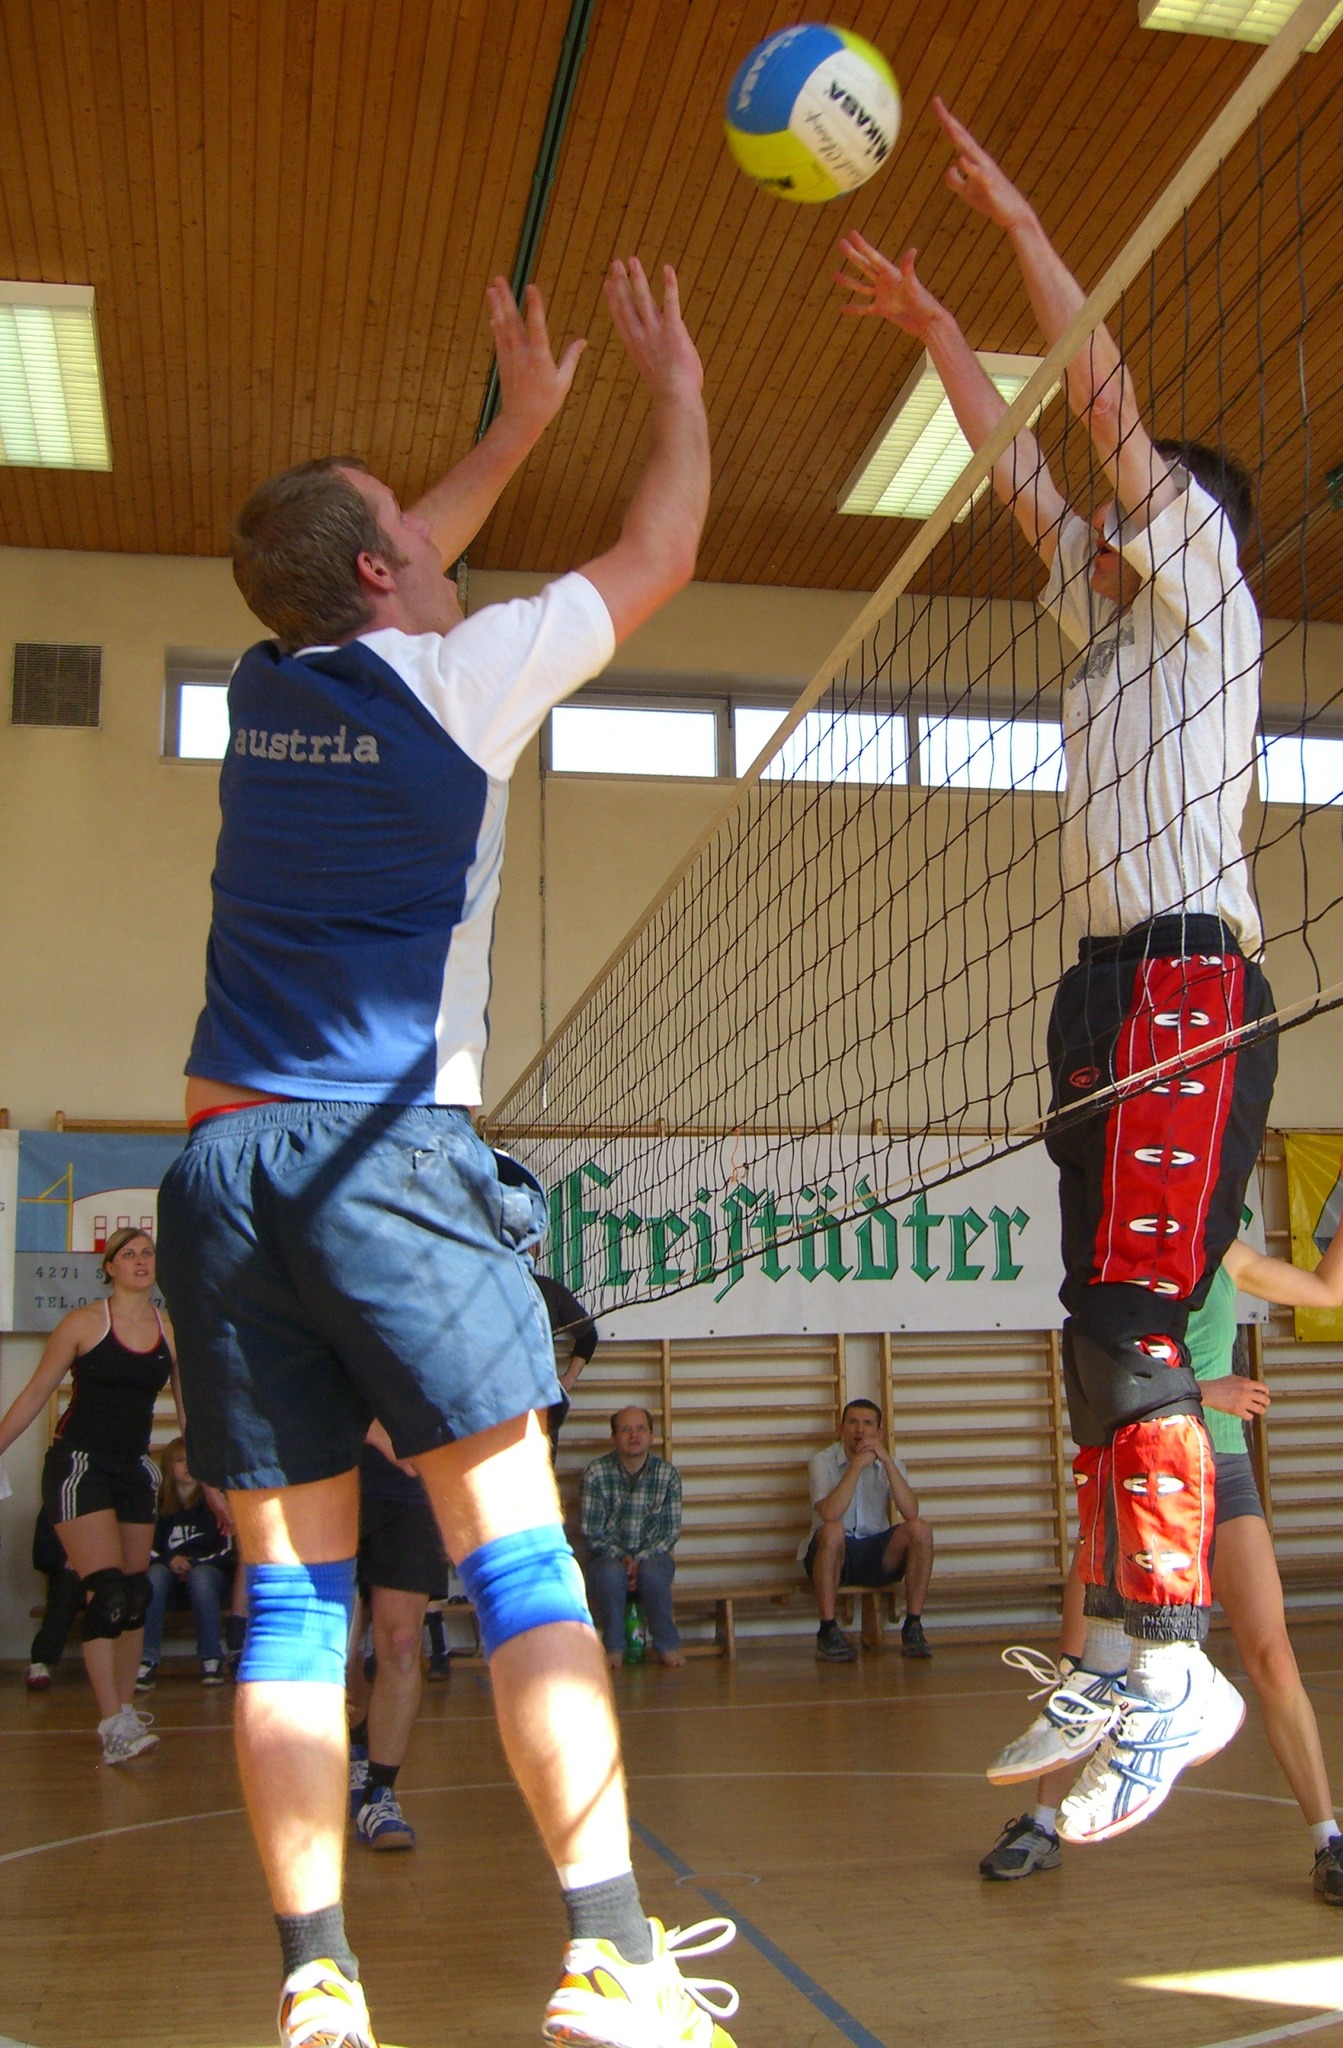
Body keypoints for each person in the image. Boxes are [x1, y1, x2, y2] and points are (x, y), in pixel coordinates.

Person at [155, 260, 740, 2048]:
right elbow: (662, 553)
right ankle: (614, 1953)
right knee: (523, 1566)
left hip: (218, 1172)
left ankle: (320, 1982)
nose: (440, 531)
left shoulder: (273, 686)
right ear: (389, 580)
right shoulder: (456, 685)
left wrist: (510, 433)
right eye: (416, 524)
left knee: (291, 1596)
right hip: (385, 1159)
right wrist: (671, 391)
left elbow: (383, 558)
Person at [838, 100, 1274, 1839]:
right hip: (1101, 995)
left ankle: (1176, 1664)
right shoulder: (1101, 635)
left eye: (1137, 503)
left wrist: (1019, 216)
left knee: (1132, 1318)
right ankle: (1138, 1649)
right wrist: (947, 333)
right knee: (1085, 1332)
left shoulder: (1210, 601)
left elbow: (1094, 402)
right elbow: (1017, 462)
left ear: (1188, 528)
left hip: (1189, 984)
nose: (1100, 517)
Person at [982, 1143, 1343, 1907]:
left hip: (1216, 1469)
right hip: (1135, 1475)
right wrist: (1209, 1386)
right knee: (1084, 1663)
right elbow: (1117, 1376)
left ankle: (1330, 1838)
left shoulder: (1223, 1252)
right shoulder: (1114, 1262)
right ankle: (1040, 1822)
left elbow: (1330, 1290)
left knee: (1271, 1656)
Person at [0, 1227, 181, 1763]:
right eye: (130, 1254)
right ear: (110, 1267)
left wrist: (214, 1479)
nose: (141, 1260)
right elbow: (36, 1393)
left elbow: (190, 1408)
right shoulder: (83, 1323)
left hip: (134, 1470)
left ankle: (124, 1712)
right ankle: (110, 1724)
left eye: (148, 1252)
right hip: (80, 1466)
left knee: (135, 1598)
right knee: (106, 1595)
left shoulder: (169, 1331)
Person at [345, 1422, 452, 1849]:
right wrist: (369, 1429)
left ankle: (379, 1793)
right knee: (340, 1648)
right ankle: (356, 1744)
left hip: (409, 1481)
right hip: (328, 1475)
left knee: (403, 1642)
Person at [802, 1399, 933, 1662]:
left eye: (867, 1423)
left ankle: (913, 1625)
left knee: (920, 1529)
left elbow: (910, 1512)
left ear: (878, 1432)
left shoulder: (890, 1462)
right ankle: (827, 1630)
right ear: (842, 1430)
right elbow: (829, 1513)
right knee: (833, 1530)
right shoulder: (823, 1461)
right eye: (853, 1422)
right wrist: (856, 1466)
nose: (859, 1430)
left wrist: (886, 1461)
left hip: (875, 1551)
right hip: (833, 1553)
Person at [579, 1408, 684, 1669]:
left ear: (651, 1435)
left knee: (653, 1573)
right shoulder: (595, 1473)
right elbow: (591, 1532)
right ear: (614, 1437)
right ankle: (613, 1647)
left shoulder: (668, 1475)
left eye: (640, 1429)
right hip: (607, 1558)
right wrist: (622, 1559)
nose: (633, 1435)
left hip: (653, 1557)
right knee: (609, 1574)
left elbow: (670, 1532)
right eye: (625, 1430)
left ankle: (667, 1645)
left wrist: (639, 1561)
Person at [138, 1434, 237, 1688]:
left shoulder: (214, 1503)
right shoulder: (157, 1503)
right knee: (154, 1577)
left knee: (201, 1577)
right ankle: (146, 1660)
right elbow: (144, 1545)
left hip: (208, 1579)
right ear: (169, 1466)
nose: (187, 1466)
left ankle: (211, 1658)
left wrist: (193, 1562)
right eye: (180, 1460)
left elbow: (228, 1550)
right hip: (168, 1578)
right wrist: (171, 1560)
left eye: (192, 1460)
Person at [535, 1265, 599, 1459]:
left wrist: (569, 1378)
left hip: (541, 1402)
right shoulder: (487, 1287)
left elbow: (588, 1335)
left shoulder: (548, 1289)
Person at [26, 1505, 84, 1690]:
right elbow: (41, 1556)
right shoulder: (54, 1506)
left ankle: (136, 1664)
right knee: (67, 1587)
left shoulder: (115, 1498)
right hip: (70, 1577)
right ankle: (41, 1662)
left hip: (107, 1575)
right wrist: (66, 1562)